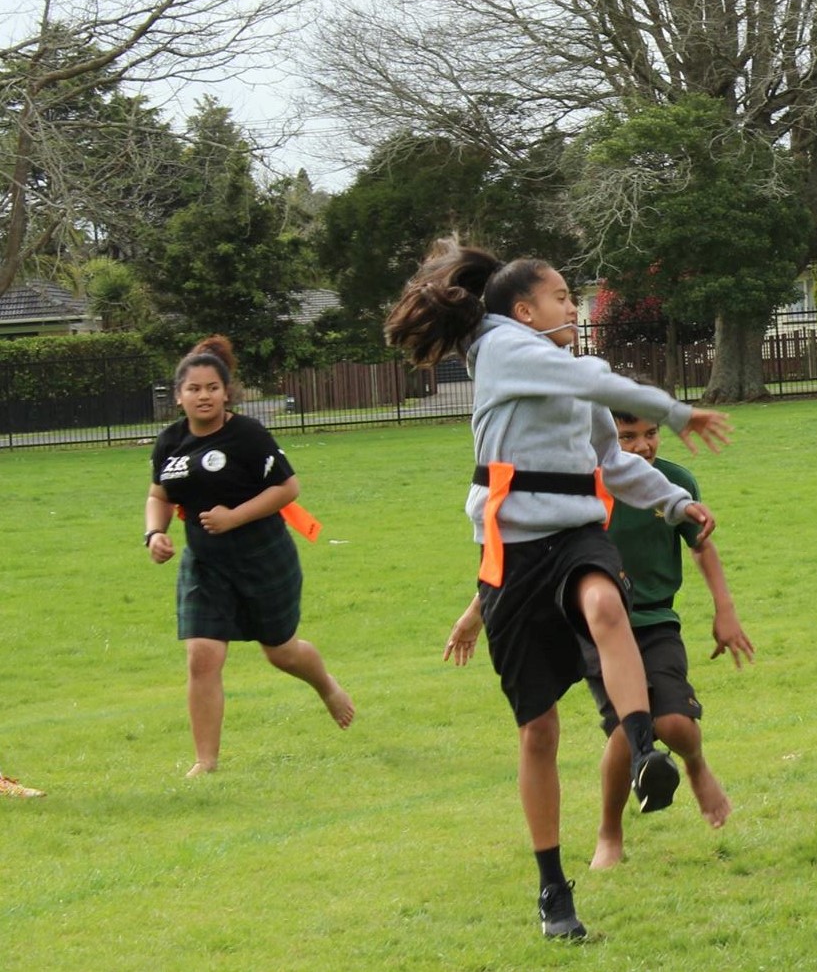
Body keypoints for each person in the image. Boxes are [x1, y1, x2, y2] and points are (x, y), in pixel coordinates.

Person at [385, 239, 732, 941]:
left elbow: (612, 464)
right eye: (563, 296)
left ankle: (643, 750)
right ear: (523, 310)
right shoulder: (502, 348)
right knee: (538, 728)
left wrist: (672, 503)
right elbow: (602, 384)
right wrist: (675, 410)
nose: (573, 305)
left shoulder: (567, 374)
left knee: (607, 602)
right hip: (511, 550)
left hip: (576, 532)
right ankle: (552, 888)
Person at [446, 405, 755, 871]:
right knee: (629, 732)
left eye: (651, 434)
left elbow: (701, 544)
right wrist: (475, 615)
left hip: (655, 622)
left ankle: (695, 765)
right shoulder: (576, 492)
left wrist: (725, 611)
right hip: (596, 629)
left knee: (674, 726)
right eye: (627, 437)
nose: (642, 447)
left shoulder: (673, 484)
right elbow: (518, 562)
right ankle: (610, 832)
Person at [143, 335, 354, 777]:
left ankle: (326, 686)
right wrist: (154, 533)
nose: (204, 396)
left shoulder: (248, 436)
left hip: (263, 557)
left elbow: (287, 489)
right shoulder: (169, 443)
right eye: (194, 389)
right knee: (202, 654)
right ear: (178, 396)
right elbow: (159, 494)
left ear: (225, 393)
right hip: (205, 563)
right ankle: (206, 762)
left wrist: (235, 517)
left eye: (212, 388)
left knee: (280, 652)